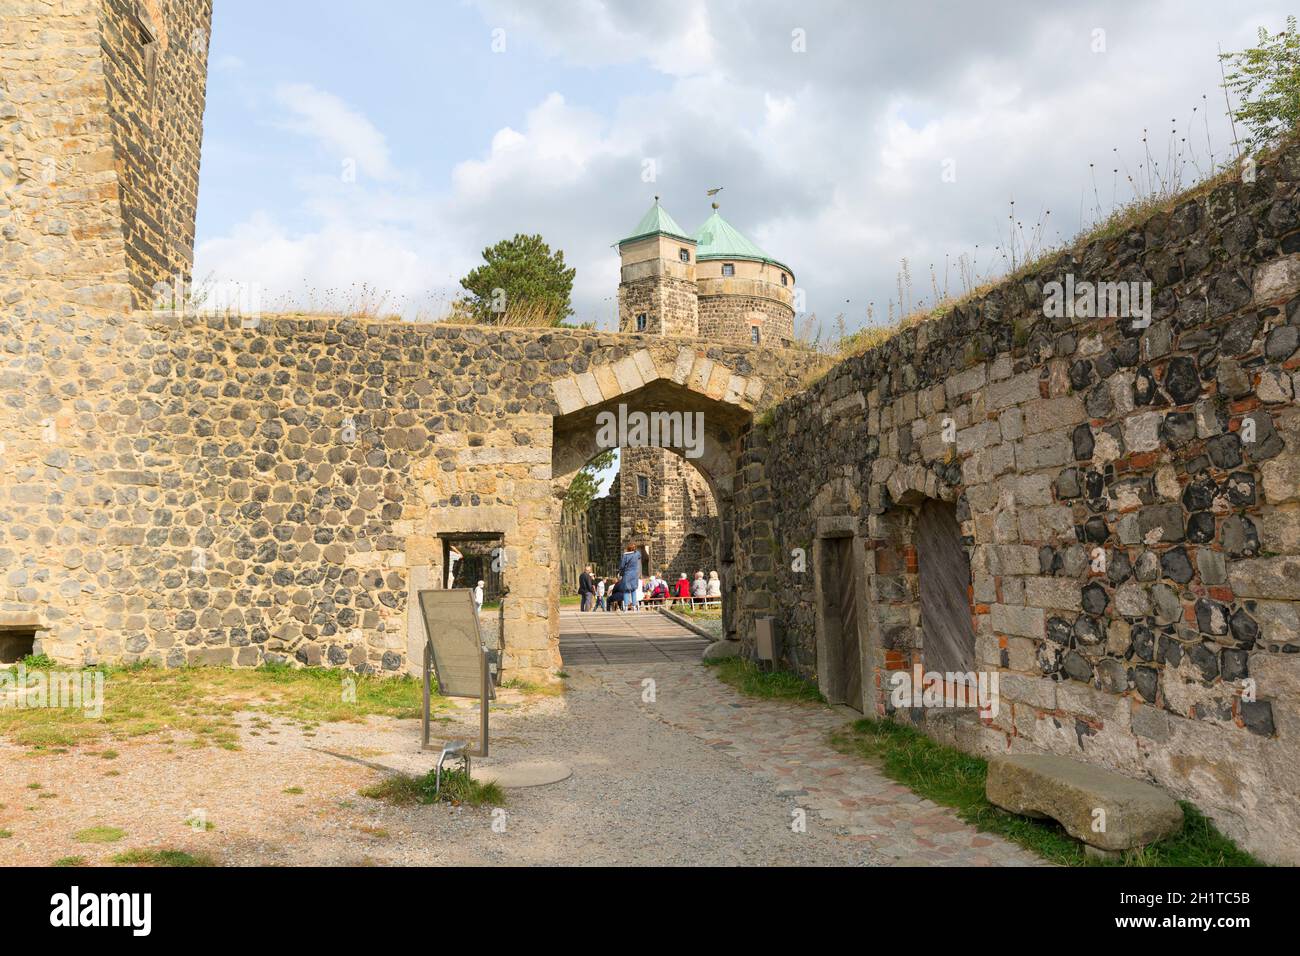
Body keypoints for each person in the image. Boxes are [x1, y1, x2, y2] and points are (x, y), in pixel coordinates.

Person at [617, 543, 641, 611]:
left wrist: (620, 572)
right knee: (633, 590)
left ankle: (626, 605)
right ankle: (634, 605)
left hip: (627, 574)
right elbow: (640, 555)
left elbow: (622, 566)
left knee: (626, 590)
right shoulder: (636, 554)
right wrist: (635, 550)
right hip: (634, 574)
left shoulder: (625, 555)